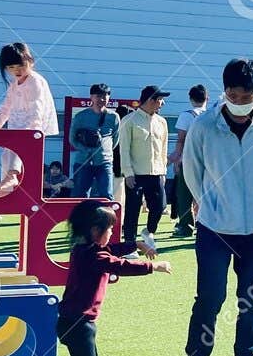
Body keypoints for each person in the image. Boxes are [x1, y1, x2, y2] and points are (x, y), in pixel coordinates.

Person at [180, 59, 253, 356]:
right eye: (232, 95)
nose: (238, 102)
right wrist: (207, 202)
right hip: (214, 227)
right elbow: (192, 168)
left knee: (252, 300)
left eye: (245, 97)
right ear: (224, 91)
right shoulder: (204, 126)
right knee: (209, 298)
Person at [47, 199, 171, 356]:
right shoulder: (94, 256)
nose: (112, 232)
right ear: (95, 231)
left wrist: (135, 244)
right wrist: (154, 266)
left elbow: (111, 250)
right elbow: (119, 265)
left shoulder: (85, 249)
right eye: (110, 229)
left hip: (76, 321)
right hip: (78, 323)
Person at [0, 41, 58, 193]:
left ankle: (12, 176)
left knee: (16, 147)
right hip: (17, 126)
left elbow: (37, 108)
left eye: (20, 65)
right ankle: (5, 190)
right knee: (6, 154)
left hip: (31, 128)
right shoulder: (14, 84)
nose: (16, 70)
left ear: (30, 62)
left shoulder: (35, 81)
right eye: (11, 67)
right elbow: (5, 107)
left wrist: (31, 130)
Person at [117, 86, 168, 249]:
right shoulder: (129, 120)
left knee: (160, 206)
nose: (162, 103)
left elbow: (164, 148)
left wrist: (163, 171)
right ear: (150, 100)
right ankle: (130, 245)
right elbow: (124, 149)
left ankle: (148, 232)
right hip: (135, 174)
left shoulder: (162, 122)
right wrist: (128, 173)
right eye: (160, 100)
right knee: (132, 210)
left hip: (156, 173)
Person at [69, 85, 119, 199]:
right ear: (91, 97)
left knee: (107, 195)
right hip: (83, 162)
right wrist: (87, 150)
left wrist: (104, 151)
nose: (102, 99)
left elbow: (115, 139)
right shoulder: (80, 116)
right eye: (98, 96)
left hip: (105, 162)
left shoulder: (113, 117)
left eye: (105, 96)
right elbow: (72, 139)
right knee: (80, 196)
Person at [171, 85, 209, 235]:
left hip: (189, 159)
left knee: (184, 194)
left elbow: (181, 139)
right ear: (207, 98)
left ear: (191, 99)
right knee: (205, 193)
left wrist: (177, 159)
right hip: (209, 160)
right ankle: (205, 224)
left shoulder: (186, 115)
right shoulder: (213, 115)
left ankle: (186, 226)